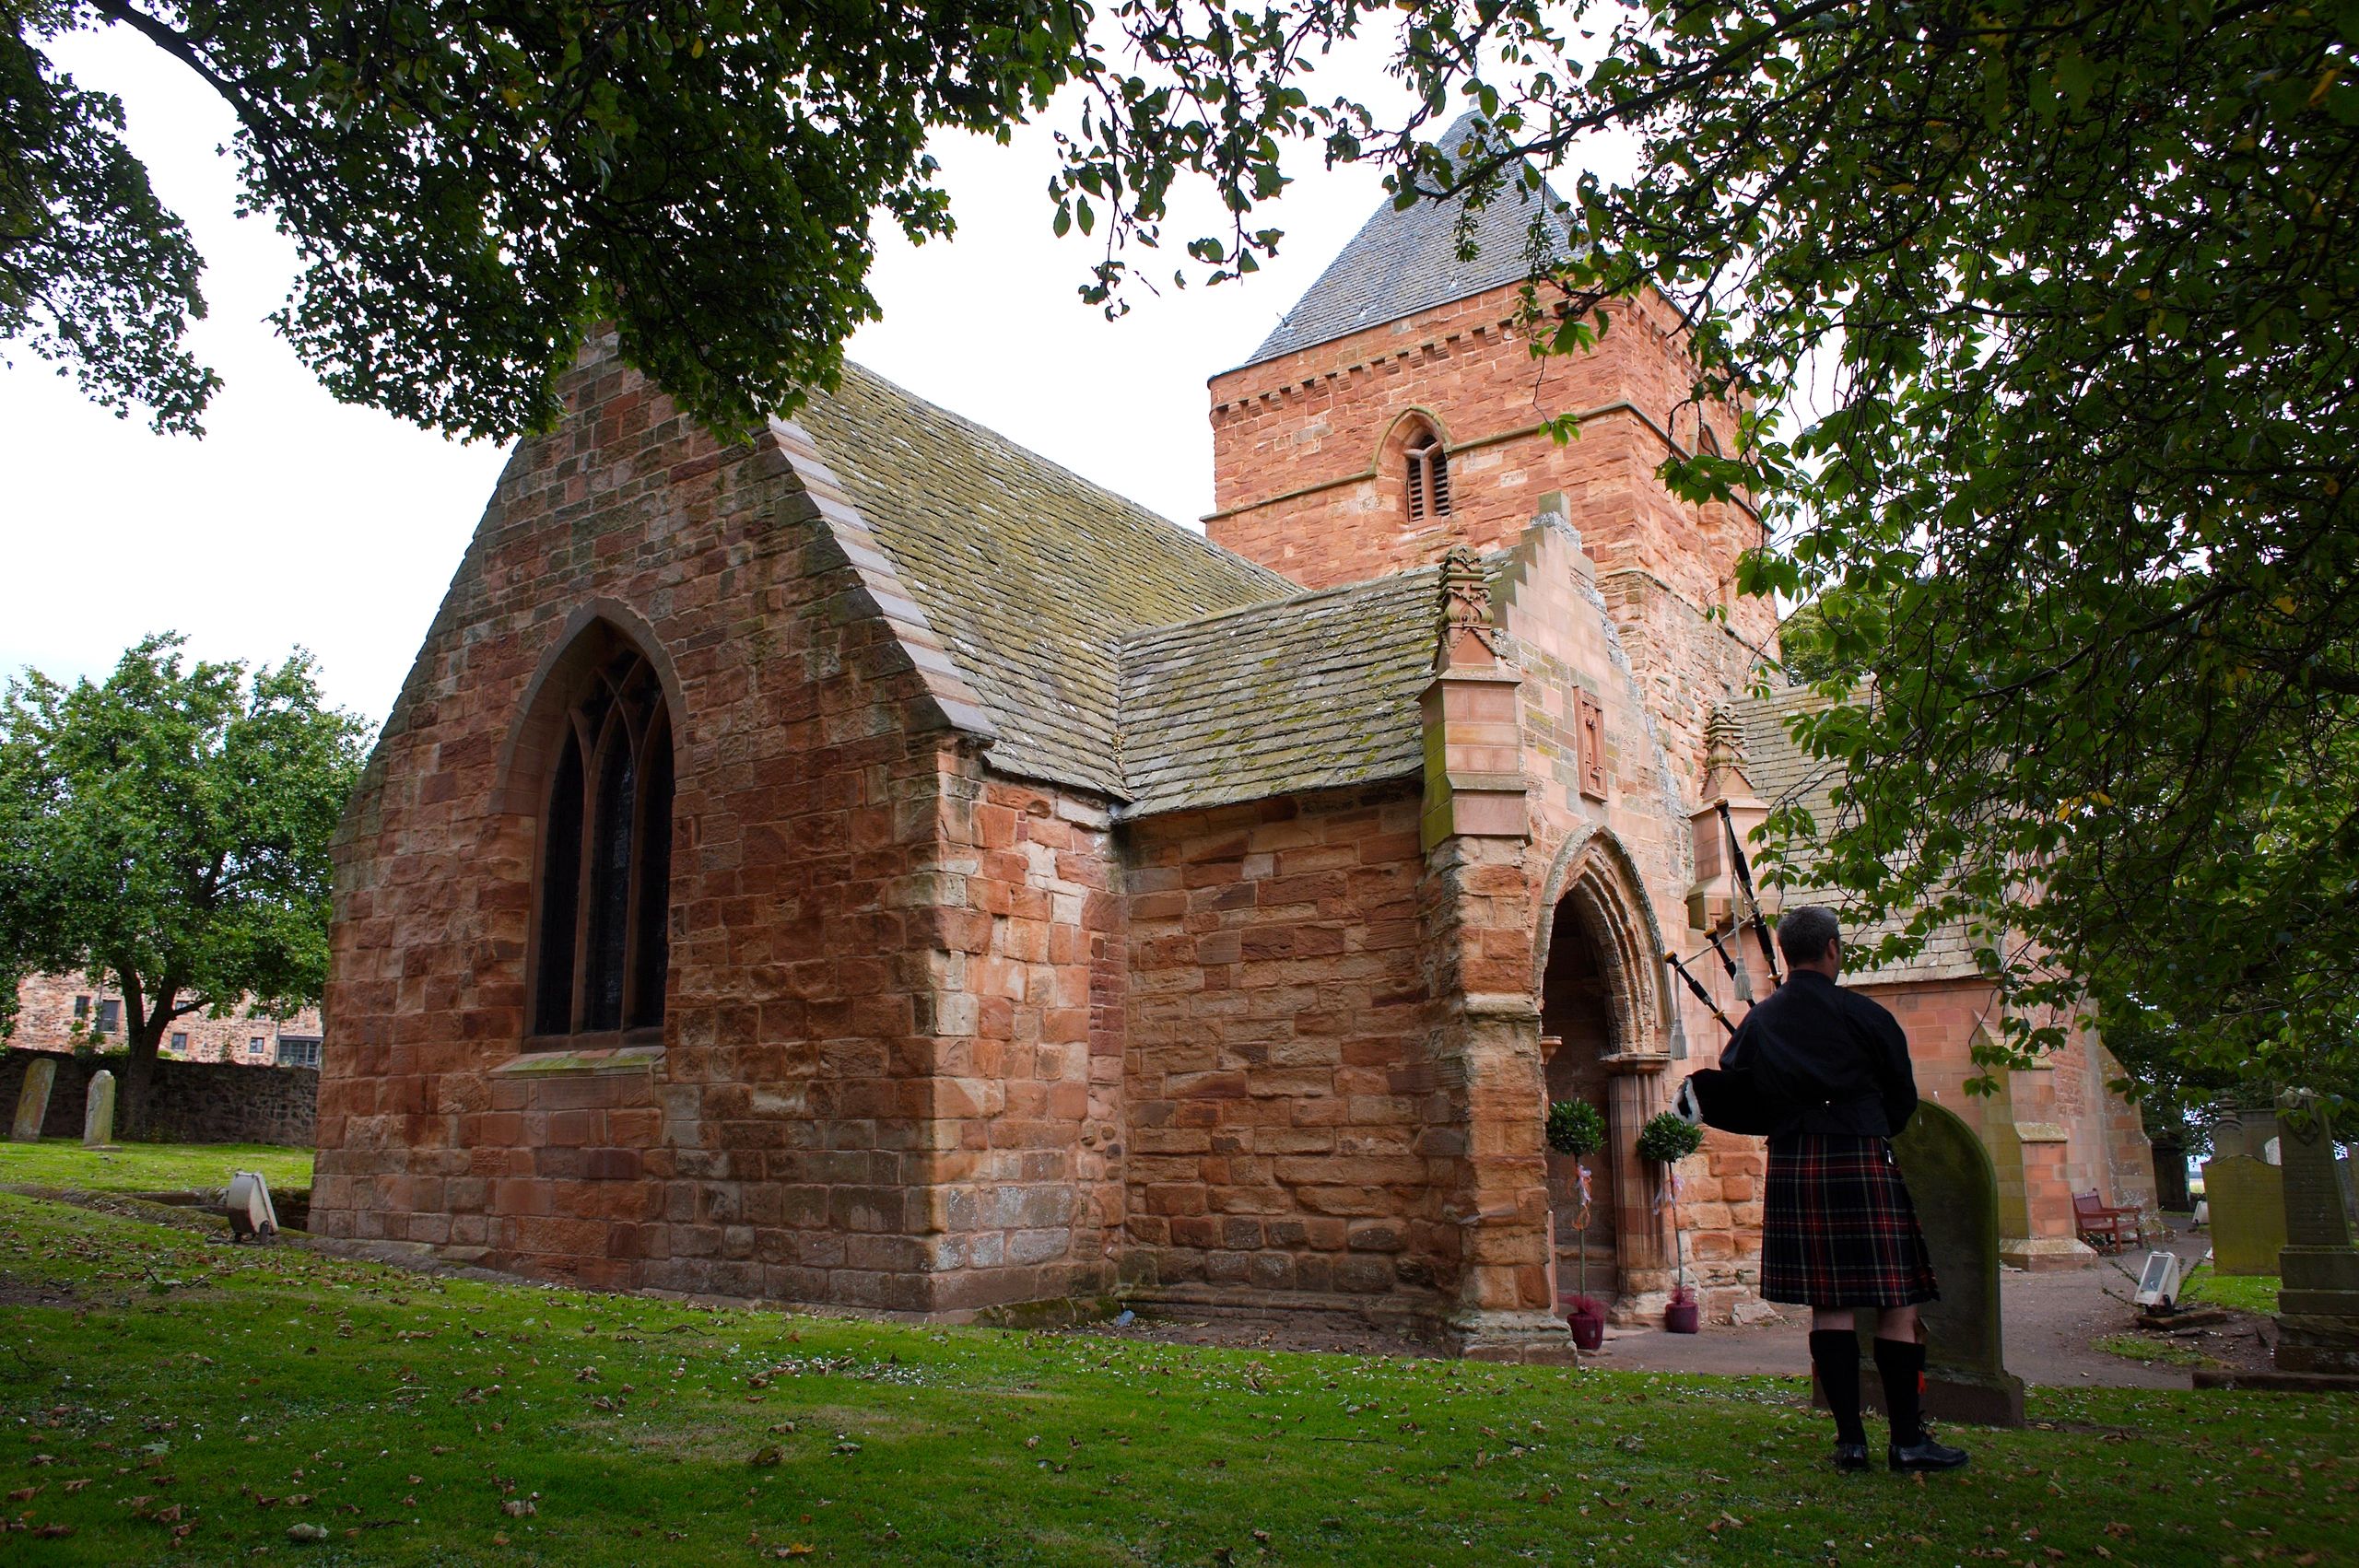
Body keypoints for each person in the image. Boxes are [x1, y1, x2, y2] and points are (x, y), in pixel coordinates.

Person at [1722, 906, 1969, 1473]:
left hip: (1797, 1161)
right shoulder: (1866, 1016)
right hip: (1861, 1157)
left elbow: (1735, 1090)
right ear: (1832, 949)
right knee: (1896, 1303)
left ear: (1784, 953)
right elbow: (1902, 1098)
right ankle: (1907, 1440)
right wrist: (1866, 1126)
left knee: (1829, 1306)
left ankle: (1849, 1441)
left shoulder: (1762, 1022)